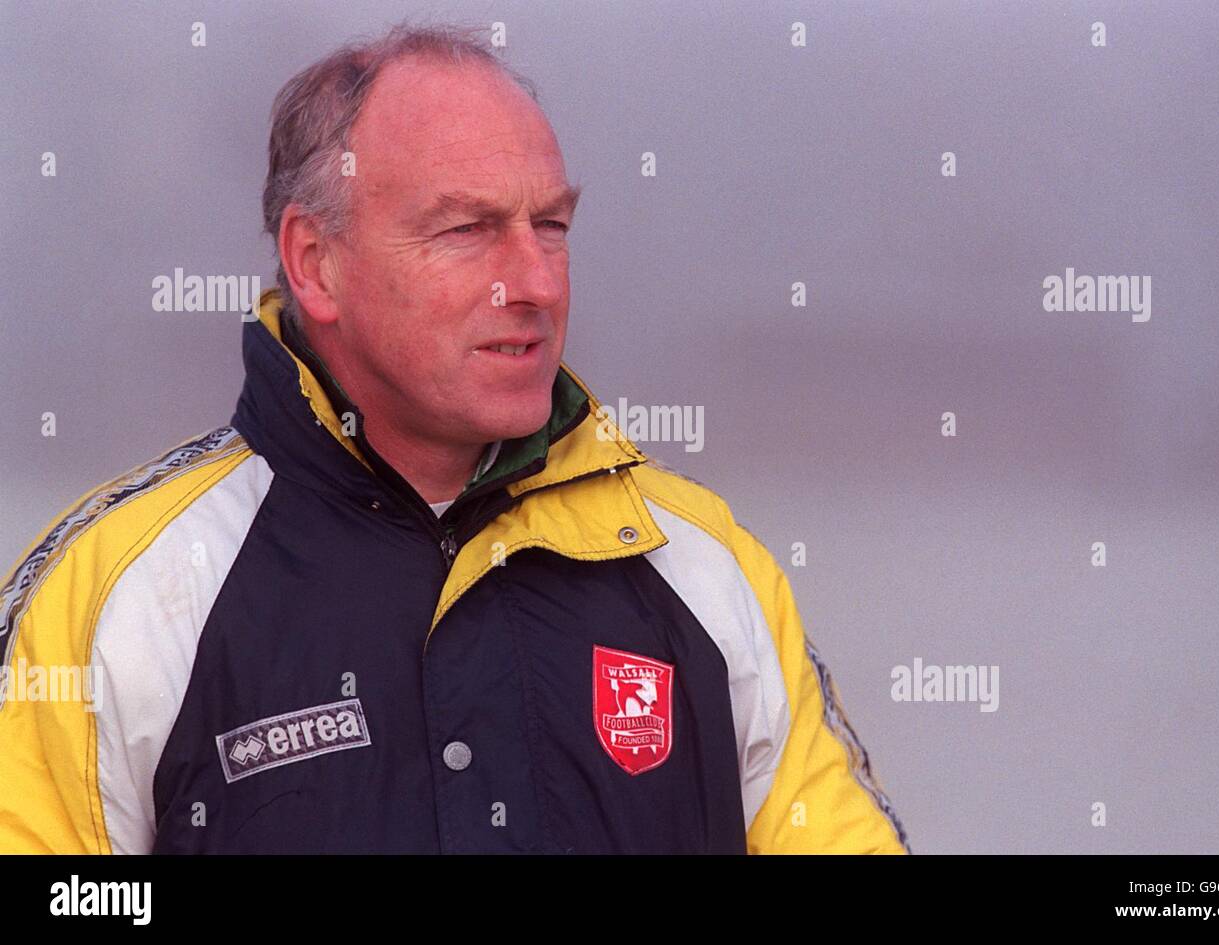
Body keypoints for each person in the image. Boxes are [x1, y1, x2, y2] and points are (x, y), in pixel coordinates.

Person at [0, 24, 908, 854]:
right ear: (316, 262)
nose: (534, 282)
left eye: (549, 226)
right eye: (468, 229)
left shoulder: (705, 569)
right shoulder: (112, 598)